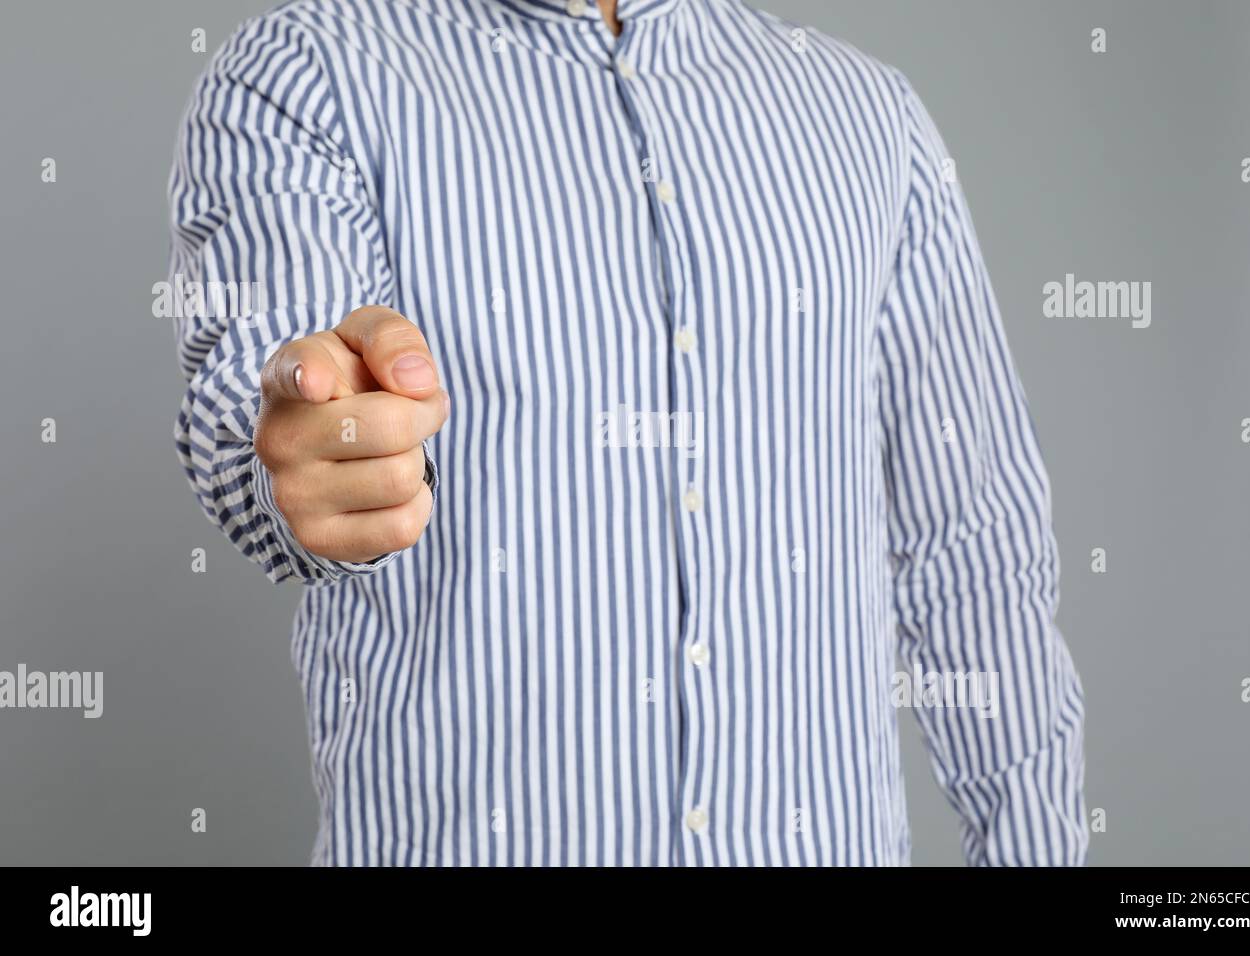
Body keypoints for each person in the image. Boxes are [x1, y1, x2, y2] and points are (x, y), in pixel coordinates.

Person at [168, 0, 1087, 865]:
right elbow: (268, 382)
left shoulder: (873, 120)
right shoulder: (308, 71)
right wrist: (295, 447)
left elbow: (975, 556)